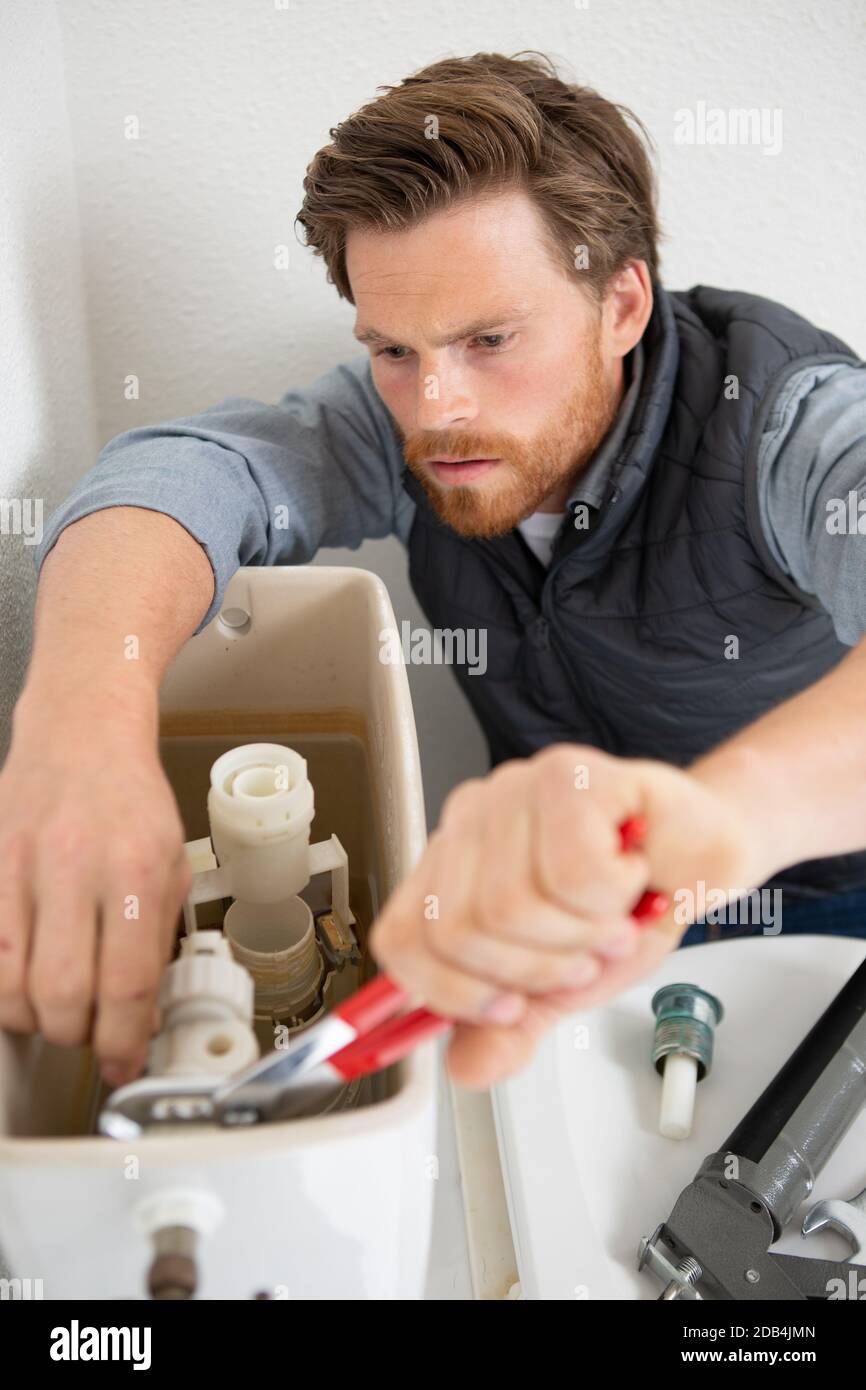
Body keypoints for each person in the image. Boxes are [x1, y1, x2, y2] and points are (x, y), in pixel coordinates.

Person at [5, 52, 866, 1091]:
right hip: (578, 944)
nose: (435, 405)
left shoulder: (785, 423)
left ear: (622, 305)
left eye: (489, 338)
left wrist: (715, 821)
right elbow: (184, 475)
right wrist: (78, 734)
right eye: (393, 350)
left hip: (833, 920)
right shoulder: (397, 421)